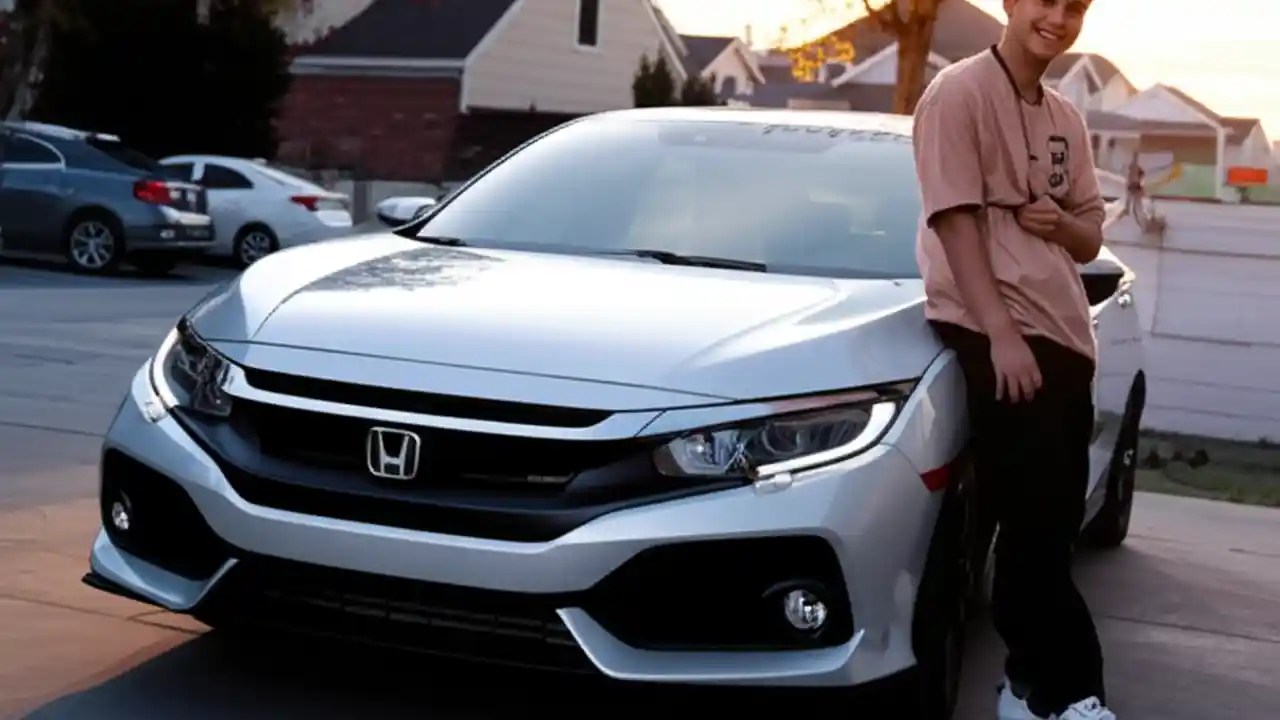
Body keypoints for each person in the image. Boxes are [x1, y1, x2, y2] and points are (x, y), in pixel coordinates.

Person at [911, 1, 1115, 719]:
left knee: (1049, 535)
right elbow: (954, 220)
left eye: (1074, 6)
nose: (1058, 17)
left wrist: (1061, 224)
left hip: (1064, 343)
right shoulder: (959, 93)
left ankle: (1030, 693)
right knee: (1031, 539)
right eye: (1044, 1)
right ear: (1010, 3)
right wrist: (999, 334)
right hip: (1002, 337)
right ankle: (1066, 697)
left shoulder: (1065, 117)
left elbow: (1090, 236)